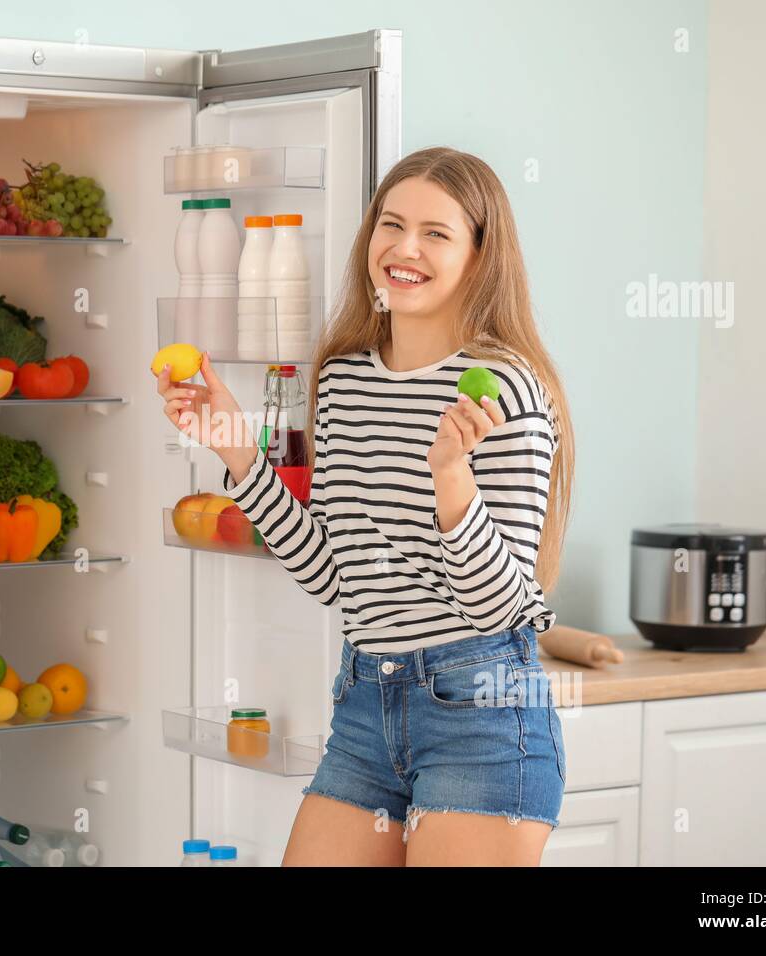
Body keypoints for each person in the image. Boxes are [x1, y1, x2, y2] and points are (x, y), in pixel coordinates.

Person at [155, 146, 574, 866]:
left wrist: (451, 478)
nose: (404, 249)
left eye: (437, 234)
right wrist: (233, 448)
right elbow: (332, 574)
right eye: (392, 225)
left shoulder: (505, 390)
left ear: (480, 256)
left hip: (481, 709)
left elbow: (497, 606)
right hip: (364, 703)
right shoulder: (346, 379)